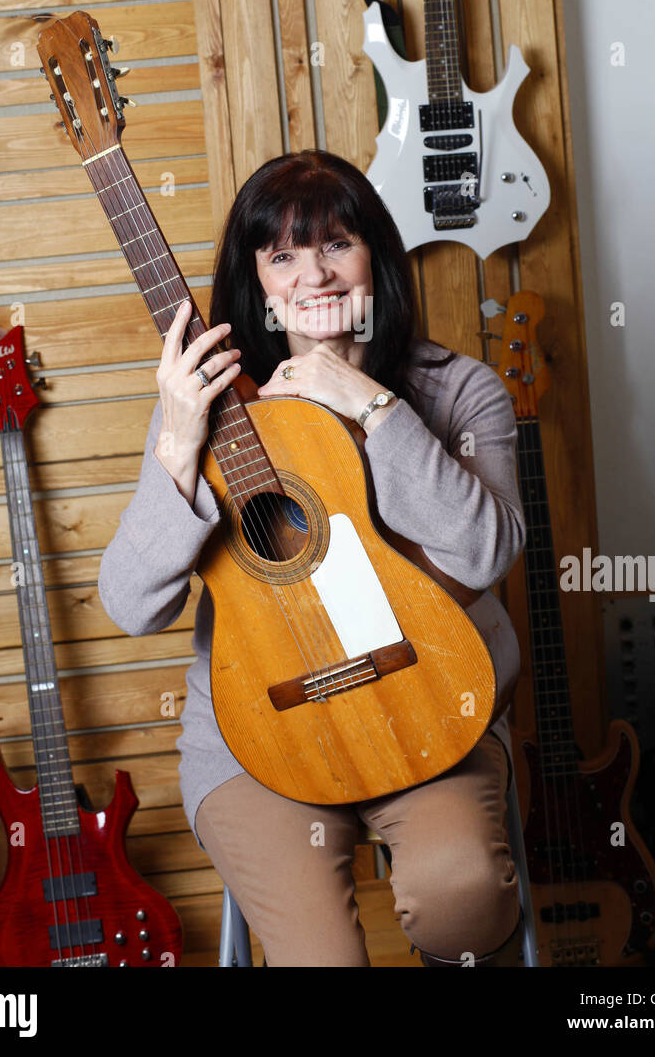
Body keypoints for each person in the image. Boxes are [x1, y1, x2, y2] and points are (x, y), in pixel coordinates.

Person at [98, 148, 527, 967]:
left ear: (377, 256)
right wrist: (178, 450)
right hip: (259, 732)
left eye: (337, 244)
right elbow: (129, 605)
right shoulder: (209, 407)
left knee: (462, 898)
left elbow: (485, 552)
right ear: (256, 281)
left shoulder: (458, 391)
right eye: (283, 254)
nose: (315, 276)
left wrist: (371, 404)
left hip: (429, 697)